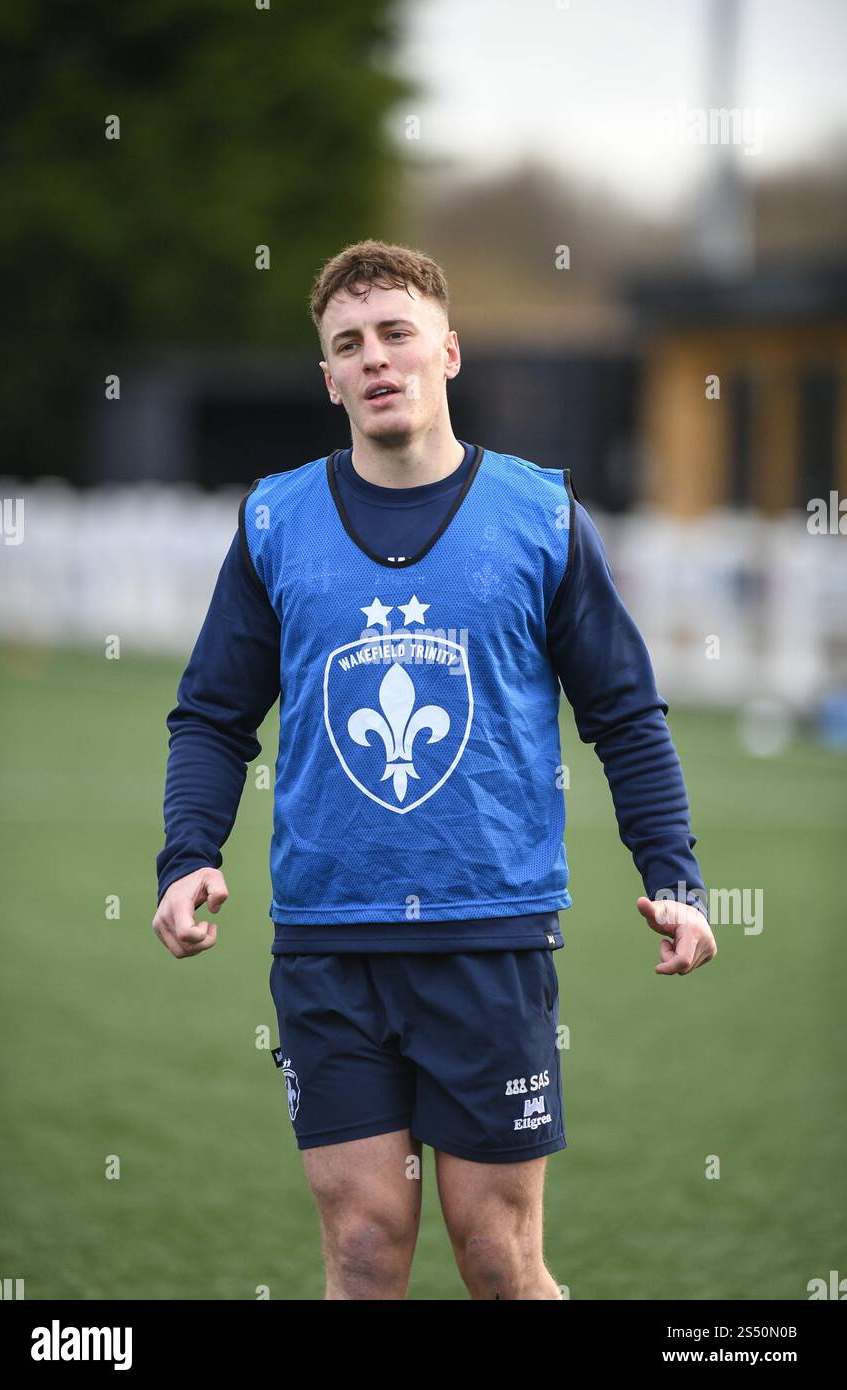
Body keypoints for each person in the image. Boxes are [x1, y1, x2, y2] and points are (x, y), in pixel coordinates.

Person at [154, 239, 716, 1300]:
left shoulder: (539, 515)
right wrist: (187, 854)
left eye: (396, 335)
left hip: (488, 936)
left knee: (497, 1259)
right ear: (327, 376)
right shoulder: (274, 520)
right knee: (363, 1253)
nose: (375, 360)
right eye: (347, 345)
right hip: (327, 940)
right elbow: (211, 714)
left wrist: (674, 873)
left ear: (446, 352)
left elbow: (624, 715)